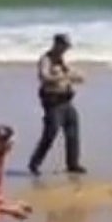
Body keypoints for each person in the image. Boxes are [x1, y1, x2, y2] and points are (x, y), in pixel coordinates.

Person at [27, 34, 86, 176]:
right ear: (57, 44)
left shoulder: (61, 61)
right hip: (53, 102)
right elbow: (44, 77)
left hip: (66, 101)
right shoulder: (46, 60)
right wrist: (62, 77)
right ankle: (34, 163)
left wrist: (75, 76)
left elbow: (76, 76)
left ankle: (73, 164)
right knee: (50, 133)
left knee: (73, 133)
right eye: (64, 46)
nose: (65, 50)